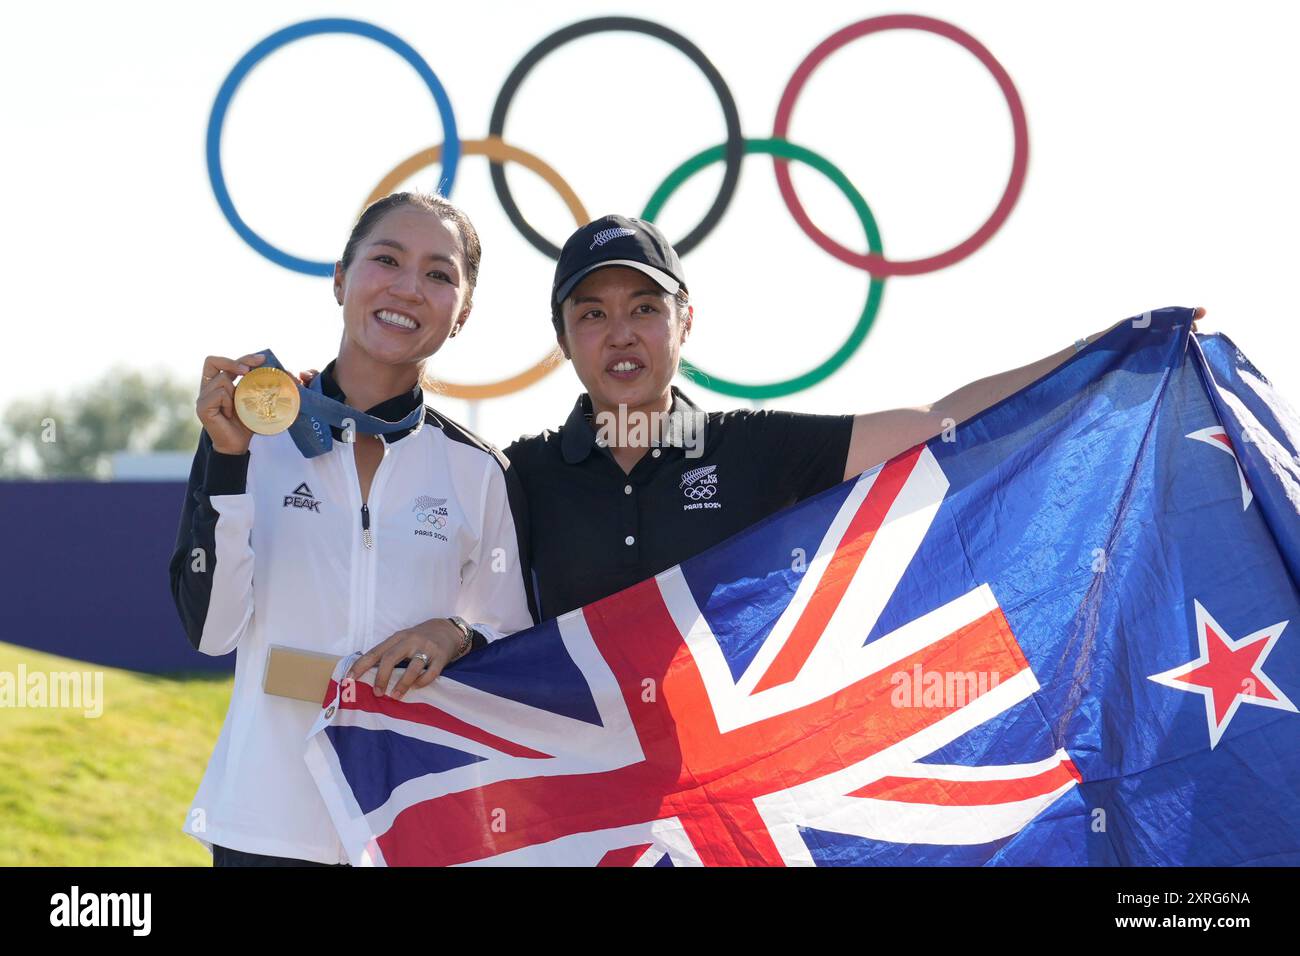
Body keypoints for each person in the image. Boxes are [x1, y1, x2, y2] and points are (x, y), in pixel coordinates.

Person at [501, 215, 1205, 619]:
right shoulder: (514, 475)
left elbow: (941, 420)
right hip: (574, 815)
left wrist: (1100, 354)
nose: (620, 332)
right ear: (562, 339)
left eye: (645, 309)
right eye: (592, 313)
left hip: (716, 803)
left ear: (685, 323)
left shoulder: (751, 449)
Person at [169, 192, 535, 867]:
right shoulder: (251, 438)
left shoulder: (477, 471)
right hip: (265, 826)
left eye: (438, 274)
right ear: (341, 277)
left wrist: (454, 632)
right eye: (387, 259)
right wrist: (228, 461)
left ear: (464, 314)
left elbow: (509, 633)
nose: (408, 288)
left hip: (414, 826)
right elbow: (214, 631)